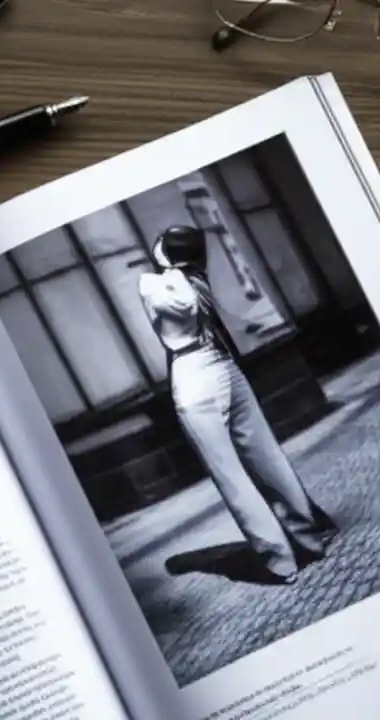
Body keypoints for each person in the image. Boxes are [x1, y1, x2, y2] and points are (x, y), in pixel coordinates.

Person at [139, 225, 336, 583]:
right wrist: (177, 268)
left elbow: (191, 306)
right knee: (236, 473)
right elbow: (182, 307)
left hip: (220, 367)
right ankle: (281, 560)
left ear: (164, 254)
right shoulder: (163, 283)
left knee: (264, 459)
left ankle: (308, 538)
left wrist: (172, 266)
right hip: (193, 369)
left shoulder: (178, 280)